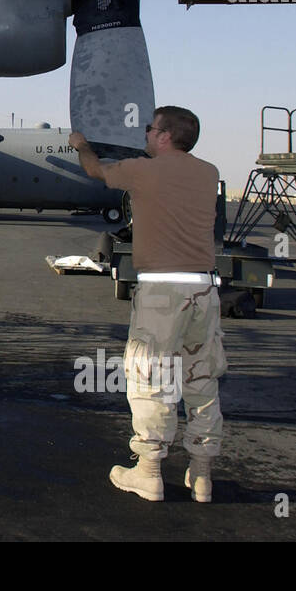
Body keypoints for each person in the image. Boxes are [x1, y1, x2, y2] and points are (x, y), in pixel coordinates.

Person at [68, 106, 225, 503]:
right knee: (201, 379)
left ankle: (150, 471)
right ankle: (202, 474)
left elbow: (95, 171)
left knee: (151, 379)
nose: (146, 135)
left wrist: (81, 145)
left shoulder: (142, 170)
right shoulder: (209, 172)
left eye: (150, 129)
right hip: (204, 290)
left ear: (165, 136)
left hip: (162, 293)